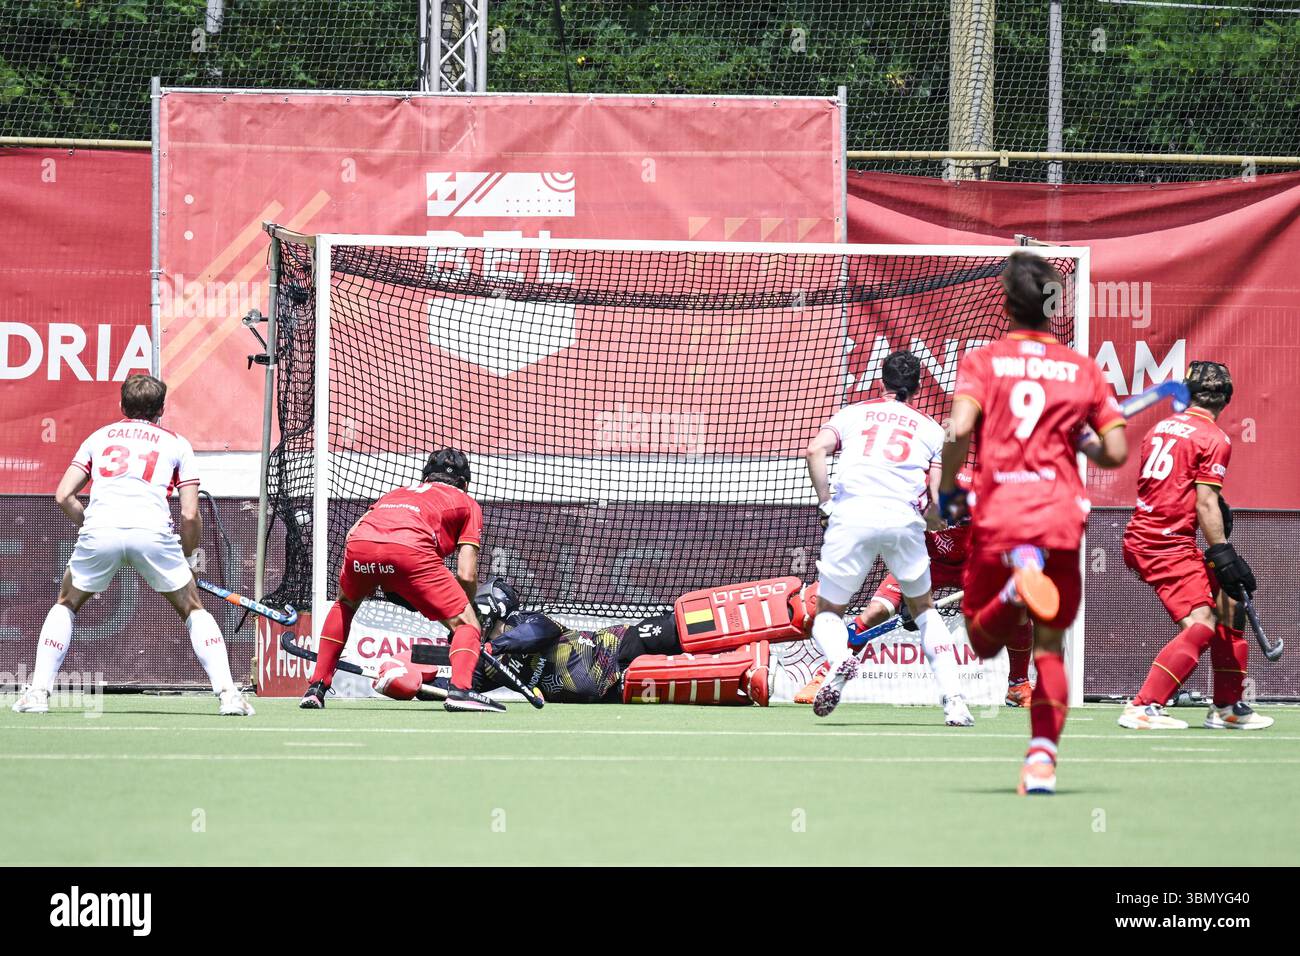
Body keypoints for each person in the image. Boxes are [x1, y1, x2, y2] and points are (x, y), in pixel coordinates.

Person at [938, 252, 1127, 795]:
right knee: (1048, 649)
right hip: (1060, 515)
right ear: (1054, 306)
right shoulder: (1083, 369)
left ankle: (1013, 593)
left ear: (1006, 303)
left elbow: (957, 432)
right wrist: (1081, 439)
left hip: (1001, 512)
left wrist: (949, 488)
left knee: (982, 642)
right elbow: (1114, 452)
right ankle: (1041, 761)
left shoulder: (983, 362)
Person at [11, 374, 253, 716]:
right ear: (162, 409)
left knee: (67, 602)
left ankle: (37, 693)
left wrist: (92, 525)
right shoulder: (177, 444)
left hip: (100, 530)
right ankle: (229, 696)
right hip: (153, 533)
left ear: (121, 406)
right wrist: (188, 558)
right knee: (193, 608)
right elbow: (189, 513)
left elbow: (64, 495)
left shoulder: (98, 437)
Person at [804, 350, 973, 727]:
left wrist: (826, 503)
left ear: (881, 382)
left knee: (827, 614)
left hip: (851, 516)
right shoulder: (931, 428)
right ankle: (955, 703)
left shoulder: (851, 414)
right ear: (918, 387)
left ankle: (841, 659)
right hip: (903, 519)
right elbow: (937, 494)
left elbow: (815, 451)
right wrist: (934, 519)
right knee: (925, 612)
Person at [794, 468, 1036, 708]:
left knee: (1016, 610)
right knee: (876, 611)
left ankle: (1018, 686)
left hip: (974, 564)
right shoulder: (914, 486)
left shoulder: (985, 487)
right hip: (924, 561)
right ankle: (826, 675)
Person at [1118, 361, 1272, 731]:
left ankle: (1227, 707)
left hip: (1155, 537)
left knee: (1230, 602)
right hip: (1163, 544)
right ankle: (1143, 706)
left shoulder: (1160, 428)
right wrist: (1222, 553)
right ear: (1228, 398)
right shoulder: (1214, 438)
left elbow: (1177, 488)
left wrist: (1214, 524)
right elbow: (1204, 503)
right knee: (1202, 624)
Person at [298, 447, 499, 713]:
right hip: (411, 552)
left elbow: (352, 533)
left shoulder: (395, 494)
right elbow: (466, 573)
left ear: (425, 478)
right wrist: (463, 614)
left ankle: (316, 688)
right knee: (468, 625)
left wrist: (379, 578)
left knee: (345, 604)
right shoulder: (467, 502)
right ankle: (460, 691)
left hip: (361, 546)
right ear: (465, 484)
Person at [369, 578, 773, 707]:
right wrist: (410, 685)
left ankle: (751, 635)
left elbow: (541, 632)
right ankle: (747, 673)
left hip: (616, 647)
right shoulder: (483, 665)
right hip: (612, 692)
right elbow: (458, 690)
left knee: (673, 630)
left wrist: (495, 648)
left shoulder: (522, 624)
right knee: (684, 685)